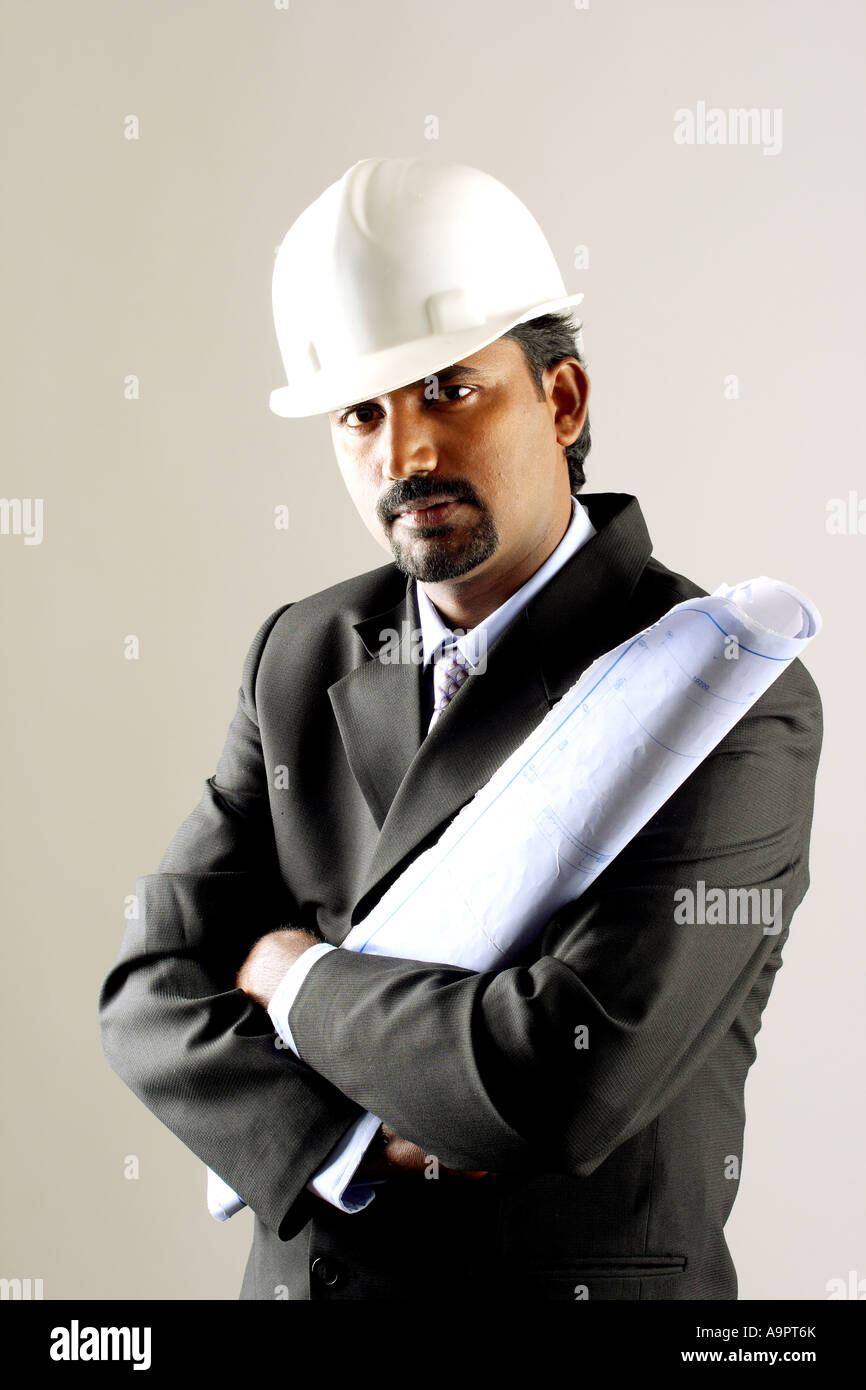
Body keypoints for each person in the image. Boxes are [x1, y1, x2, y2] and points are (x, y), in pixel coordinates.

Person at [98, 157, 822, 1301]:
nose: (403, 455)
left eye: (447, 389)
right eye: (360, 413)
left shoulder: (723, 691)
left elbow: (556, 1079)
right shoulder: (300, 651)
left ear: (562, 400)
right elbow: (150, 987)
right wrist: (342, 1145)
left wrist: (293, 981)